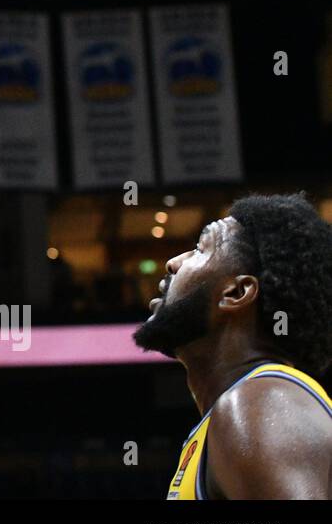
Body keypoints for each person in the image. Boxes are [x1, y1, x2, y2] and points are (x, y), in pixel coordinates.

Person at [133, 193, 332, 499]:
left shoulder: (262, 402)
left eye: (200, 249)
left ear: (236, 292)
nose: (174, 263)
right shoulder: (245, 407)